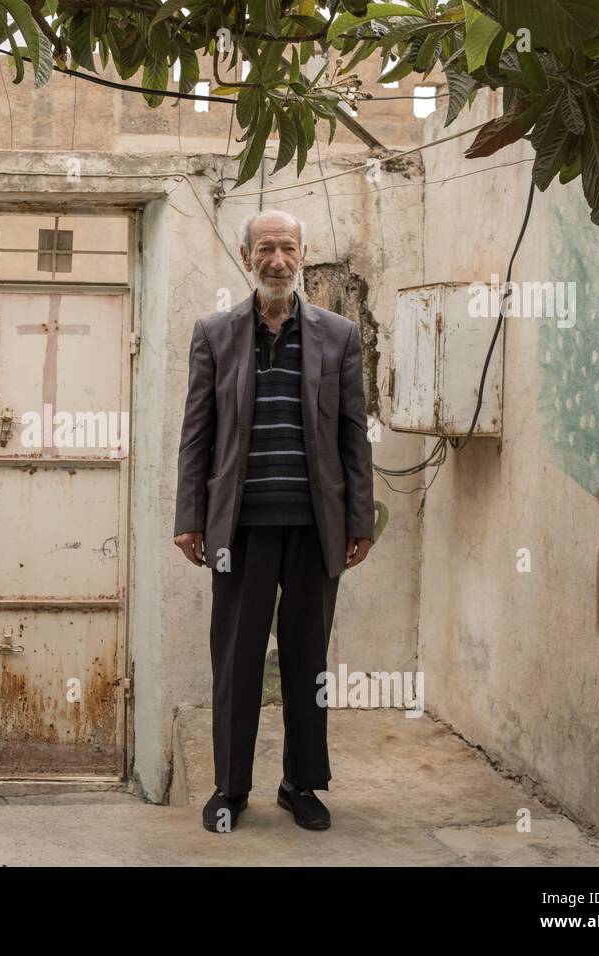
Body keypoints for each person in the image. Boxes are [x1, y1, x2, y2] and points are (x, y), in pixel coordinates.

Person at [173, 208, 375, 832]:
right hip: (240, 527)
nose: (278, 260)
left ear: (304, 255)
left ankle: (301, 784)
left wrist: (358, 522)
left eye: (288, 248)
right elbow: (197, 434)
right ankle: (231, 788)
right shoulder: (215, 333)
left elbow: (353, 436)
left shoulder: (339, 336)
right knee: (235, 658)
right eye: (266, 249)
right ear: (246, 256)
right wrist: (191, 517)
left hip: (316, 527)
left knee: (306, 659)